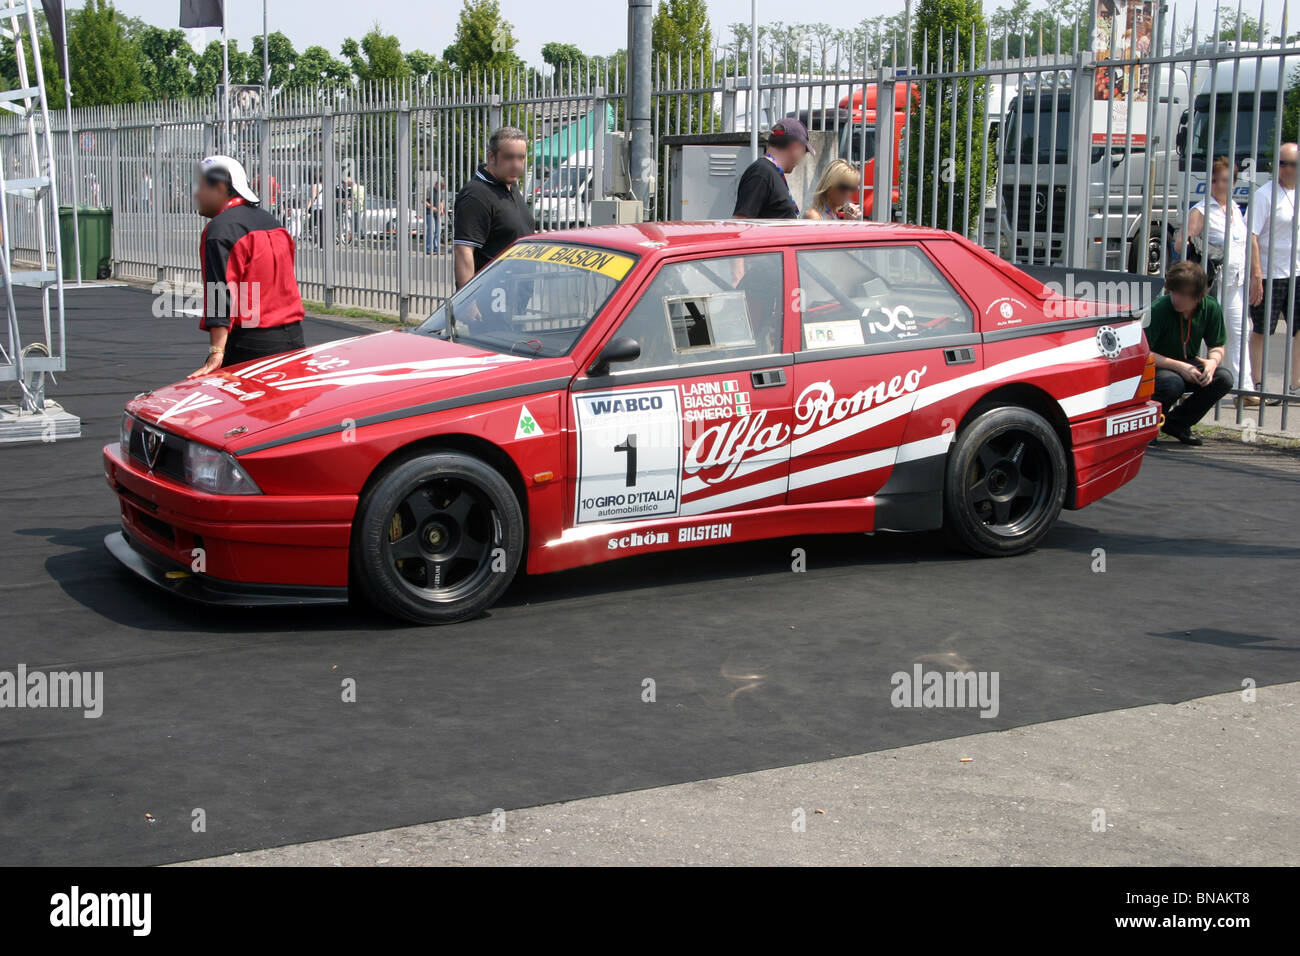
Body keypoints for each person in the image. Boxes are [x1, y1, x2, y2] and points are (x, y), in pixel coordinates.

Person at [186, 155, 305, 379]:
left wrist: (217, 351)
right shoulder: (273, 222)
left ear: (220, 188)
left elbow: (220, 291)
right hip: (293, 338)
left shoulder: (220, 230)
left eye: (200, 186)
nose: (195, 194)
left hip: (251, 344)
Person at [1180, 156, 1264, 406]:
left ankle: (1245, 388)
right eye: (1215, 180)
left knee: (1240, 331)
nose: (1219, 185)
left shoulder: (1236, 209)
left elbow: (1248, 242)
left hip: (1234, 281)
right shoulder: (1201, 210)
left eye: (1225, 180)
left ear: (1234, 182)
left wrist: (1255, 275)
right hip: (1209, 284)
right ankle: (1191, 384)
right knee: (1199, 334)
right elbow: (1182, 242)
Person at [1145, 260, 1232, 445]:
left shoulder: (1210, 307)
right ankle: (1150, 426)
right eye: (1175, 292)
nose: (1178, 298)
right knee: (1172, 383)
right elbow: (1145, 352)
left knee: (1223, 378)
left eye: (1185, 295)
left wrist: (1212, 363)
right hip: (1159, 366)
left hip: (1189, 363)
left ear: (1199, 295)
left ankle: (1176, 424)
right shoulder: (1159, 309)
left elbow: (1217, 345)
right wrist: (1180, 366)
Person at [1248, 142, 1300, 402]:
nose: (1287, 169)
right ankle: (1258, 384)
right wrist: (1257, 275)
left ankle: (1295, 384)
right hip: (1270, 273)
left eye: (1292, 164)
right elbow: (1252, 236)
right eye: (1282, 163)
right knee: (1262, 330)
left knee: (1299, 328)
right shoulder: (1265, 195)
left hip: (1297, 272)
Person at [452, 126, 535, 289]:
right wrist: (468, 303)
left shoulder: (509, 187)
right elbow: (464, 251)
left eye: (521, 157)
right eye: (509, 157)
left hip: (515, 294)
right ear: (492, 157)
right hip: (490, 297)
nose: (516, 164)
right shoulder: (477, 194)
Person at [732, 117, 814, 219]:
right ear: (795, 147)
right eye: (805, 151)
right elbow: (740, 222)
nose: (802, 159)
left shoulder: (769, 172)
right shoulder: (762, 172)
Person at [426, 176, 444, 254]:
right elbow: (424, 201)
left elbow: (441, 201)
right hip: (430, 213)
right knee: (431, 231)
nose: (441, 190)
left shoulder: (440, 192)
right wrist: (432, 207)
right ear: (436, 185)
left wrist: (442, 209)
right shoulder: (429, 190)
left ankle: (436, 249)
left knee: (438, 231)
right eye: (441, 188)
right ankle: (429, 249)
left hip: (438, 214)